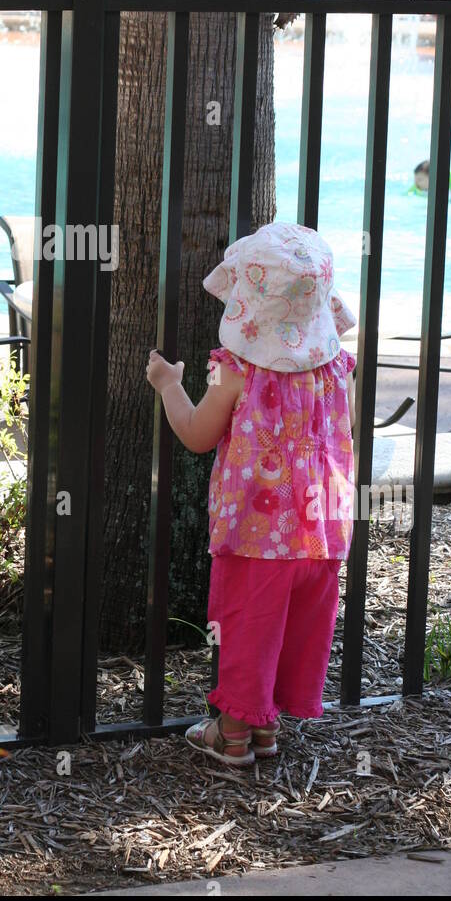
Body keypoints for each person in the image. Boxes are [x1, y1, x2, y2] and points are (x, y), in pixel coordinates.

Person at [146, 223, 357, 767]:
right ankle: (266, 730)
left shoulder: (234, 371)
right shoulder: (338, 369)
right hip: (324, 531)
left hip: (257, 532)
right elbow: (341, 429)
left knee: (249, 627)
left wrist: (170, 384)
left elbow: (197, 434)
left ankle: (233, 735)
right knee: (295, 629)